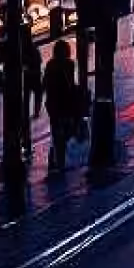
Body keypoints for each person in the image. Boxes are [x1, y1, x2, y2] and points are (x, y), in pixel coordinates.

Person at [41, 39, 79, 174]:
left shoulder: (53, 65)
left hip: (55, 103)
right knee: (65, 130)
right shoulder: (67, 64)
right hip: (62, 103)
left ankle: (56, 156)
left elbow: (45, 84)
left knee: (59, 131)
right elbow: (69, 84)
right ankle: (59, 159)